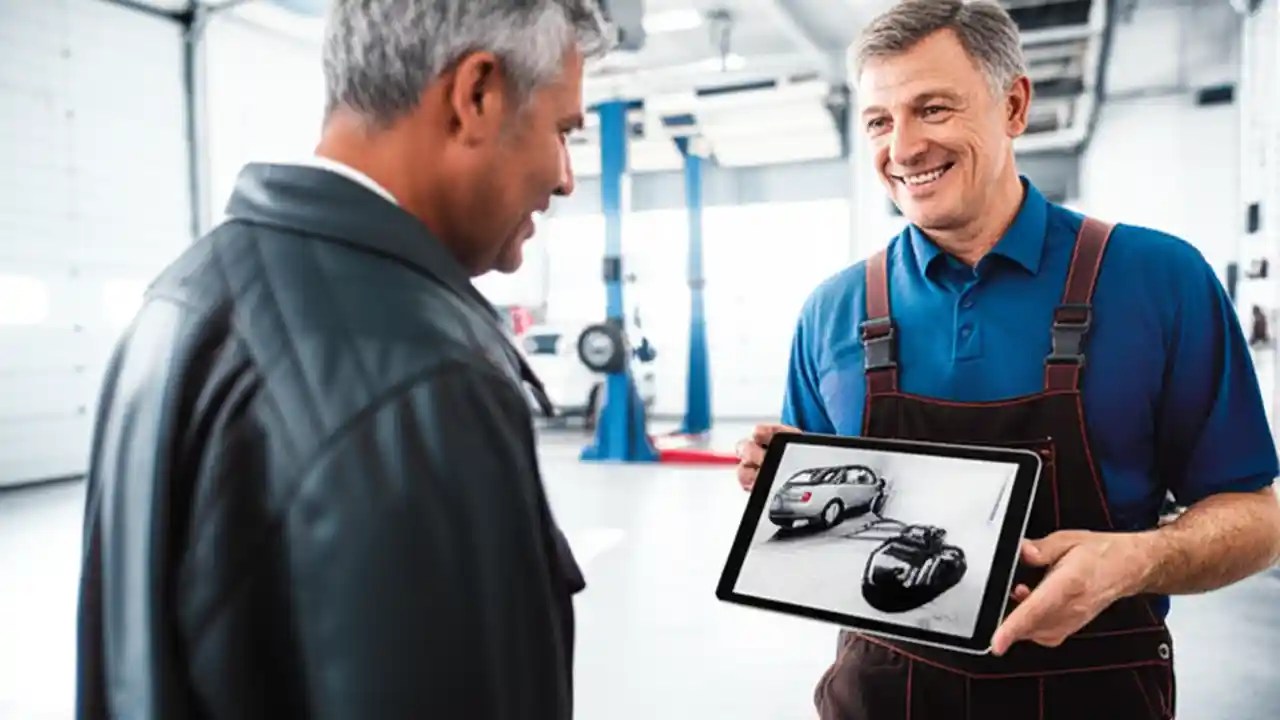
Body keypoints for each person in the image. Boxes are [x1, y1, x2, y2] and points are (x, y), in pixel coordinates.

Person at [734, 1, 1280, 718]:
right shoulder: (832, 311)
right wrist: (781, 481)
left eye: (933, 109)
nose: (902, 147)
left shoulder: (1159, 280)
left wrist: (1138, 561)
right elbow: (830, 533)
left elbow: (1258, 517)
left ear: (1014, 105)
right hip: (880, 697)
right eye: (878, 120)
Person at [75, 1, 609, 718]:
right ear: (476, 95)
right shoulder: (426, 374)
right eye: (562, 131)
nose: (566, 177)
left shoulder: (181, 298)